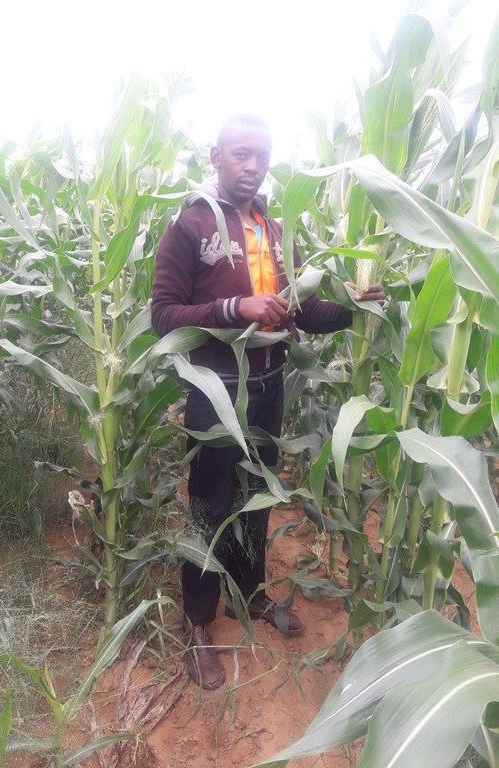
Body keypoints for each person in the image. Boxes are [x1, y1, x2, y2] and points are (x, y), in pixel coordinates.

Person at [151, 113, 384, 690]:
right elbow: (163, 316)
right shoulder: (192, 224)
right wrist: (236, 309)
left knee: (258, 493)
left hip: (268, 385)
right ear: (217, 157)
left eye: (262, 156)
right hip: (215, 389)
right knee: (209, 500)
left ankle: (250, 593)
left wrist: (350, 303)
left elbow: (297, 310)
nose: (253, 166)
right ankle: (199, 621)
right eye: (241, 154)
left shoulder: (274, 232)